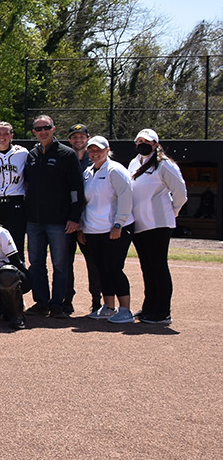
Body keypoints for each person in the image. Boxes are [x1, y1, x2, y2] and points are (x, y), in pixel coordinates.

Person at [22, 115, 85, 318]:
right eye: (38, 129)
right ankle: (41, 302)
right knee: (36, 263)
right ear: (34, 132)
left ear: (54, 129)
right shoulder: (31, 155)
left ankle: (58, 304)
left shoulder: (67, 154)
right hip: (34, 221)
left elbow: (76, 190)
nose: (43, 132)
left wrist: (74, 217)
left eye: (46, 128)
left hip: (59, 222)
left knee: (60, 264)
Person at [128, 129, 187, 325]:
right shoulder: (134, 162)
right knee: (147, 267)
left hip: (159, 224)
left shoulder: (164, 164)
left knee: (158, 267)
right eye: (139, 141)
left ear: (155, 144)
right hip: (139, 224)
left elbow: (180, 192)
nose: (142, 144)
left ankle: (162, 312)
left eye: (147, 141)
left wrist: (172, 211)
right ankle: (149, 307)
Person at [79, 136, 135, 323]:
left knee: (114, 268)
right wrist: (82, 227)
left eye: (99, 150)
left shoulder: (115, 170)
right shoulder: (87, 172)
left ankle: (125, 309)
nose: (95, 153)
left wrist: (118, 224)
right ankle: (108, 307)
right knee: (101, 269)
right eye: (92, 150)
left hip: (114, 229)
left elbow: (126, 198)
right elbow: (85, 203)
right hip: (93, 230)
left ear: (107, 149)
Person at [0, 121, 29, 244]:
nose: (2, 137)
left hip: (16, 203)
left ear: (11, 136)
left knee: (16, 243)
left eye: (6, 133)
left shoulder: (22, 153)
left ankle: (18, 264)